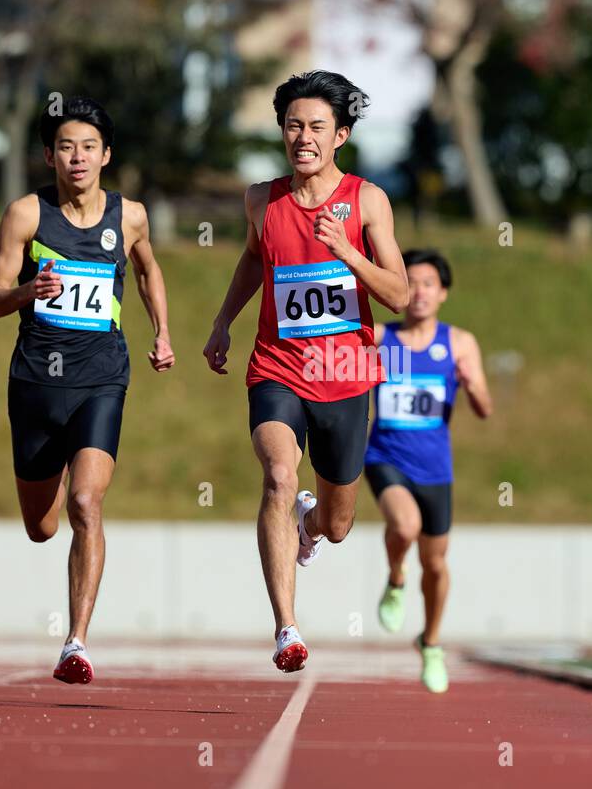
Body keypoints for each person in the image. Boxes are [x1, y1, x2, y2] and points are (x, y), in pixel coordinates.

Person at [202, 70, 409, 672]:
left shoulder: (368, 200)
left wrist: (347, 252)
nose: (304, 137)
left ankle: (311, 527)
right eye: (294, 125)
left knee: (340, 525)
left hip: (344, 373)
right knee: (277, 476)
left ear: (340, 135)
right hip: (278, 367)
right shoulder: (261, 200)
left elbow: (396, 293)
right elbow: (251, 259)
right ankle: (286, 629)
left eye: (317, 126)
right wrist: (222, 322)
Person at [0, 96, 175, 684]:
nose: (78, 156)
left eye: (89, 146)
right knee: (41, 528)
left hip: (101, 377)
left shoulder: (130, 216)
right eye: (66, 146)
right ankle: (55, 467)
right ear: (49, 155)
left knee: (86, 503)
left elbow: (145, 269)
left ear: (106, 155)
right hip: (36, 381)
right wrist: (27, 292)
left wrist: (163, 332)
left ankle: (76, 641)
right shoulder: (26, 215)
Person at [363, 249, 492, 692]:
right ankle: (396, 578)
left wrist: (472, 384)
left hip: (435, 469)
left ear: (442, 293)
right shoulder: (381, 338)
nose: (417, 291)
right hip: (385, 456)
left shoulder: (459, 343)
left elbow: (484, 409)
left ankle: (431, 642)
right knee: (405, 525)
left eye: (427, 284)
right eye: (410, 281)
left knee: (435, 564)